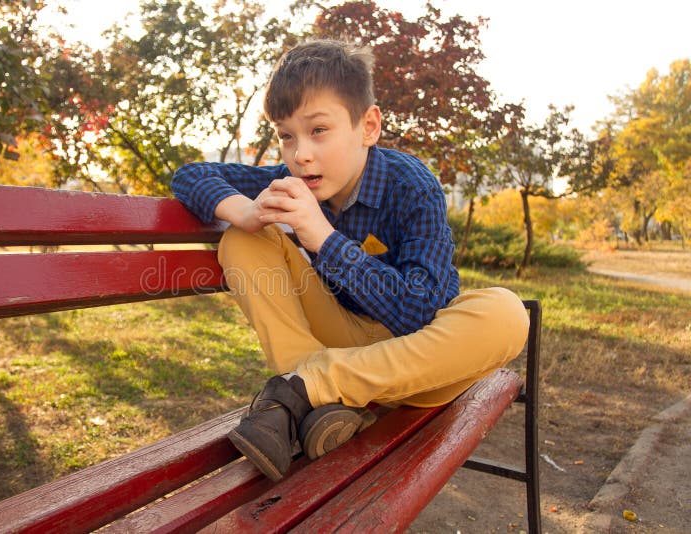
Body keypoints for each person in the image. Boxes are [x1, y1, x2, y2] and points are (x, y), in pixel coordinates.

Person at [171, 39, 529, 482]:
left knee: (506, 314)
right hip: (340, 336)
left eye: (318, 130)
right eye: (286, 136)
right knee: (244, 241)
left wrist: (324, 239)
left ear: (369, 126)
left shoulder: (412, 185)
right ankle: (315, 395)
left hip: (417, 363)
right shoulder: (291, 179)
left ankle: (307, 390)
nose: (300, 153)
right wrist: (244, 213)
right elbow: (191, 174)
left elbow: (421, 311)